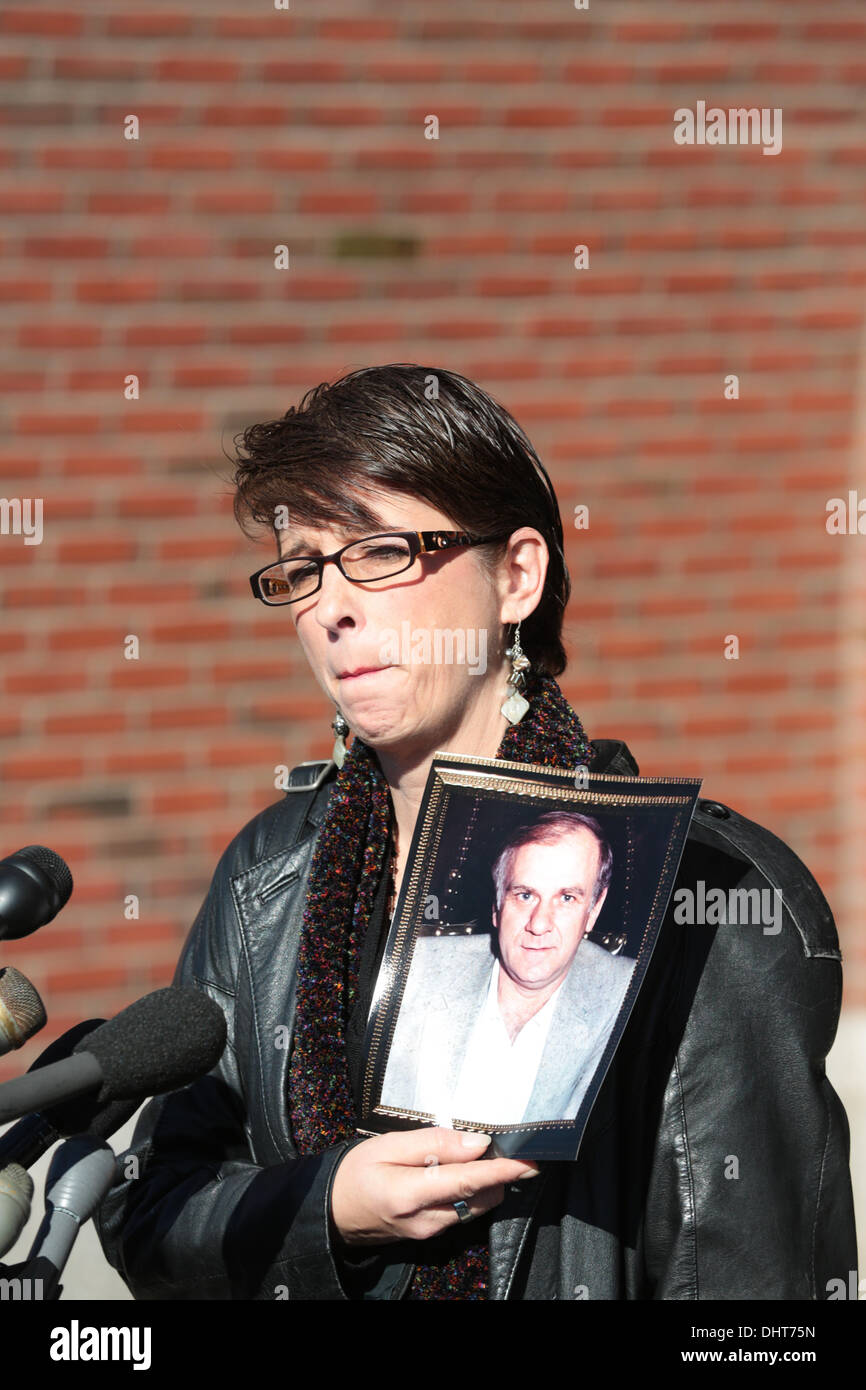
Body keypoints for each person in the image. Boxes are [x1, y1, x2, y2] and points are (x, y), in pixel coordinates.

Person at [96, 363, 857, 1300]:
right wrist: (324, 1208)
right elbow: (150, 1208)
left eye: (380, 552)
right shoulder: (267, 874)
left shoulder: (707, 899)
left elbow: (757, 1310)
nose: (332, 608)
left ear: (517, 577)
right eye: (303, 571)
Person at [380, 812, 633, 1125]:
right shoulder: (417, 970)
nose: (539, 924)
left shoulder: (628, 995)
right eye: (525, 895)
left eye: (566, 898)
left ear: (593, 909)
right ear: (497, 905)